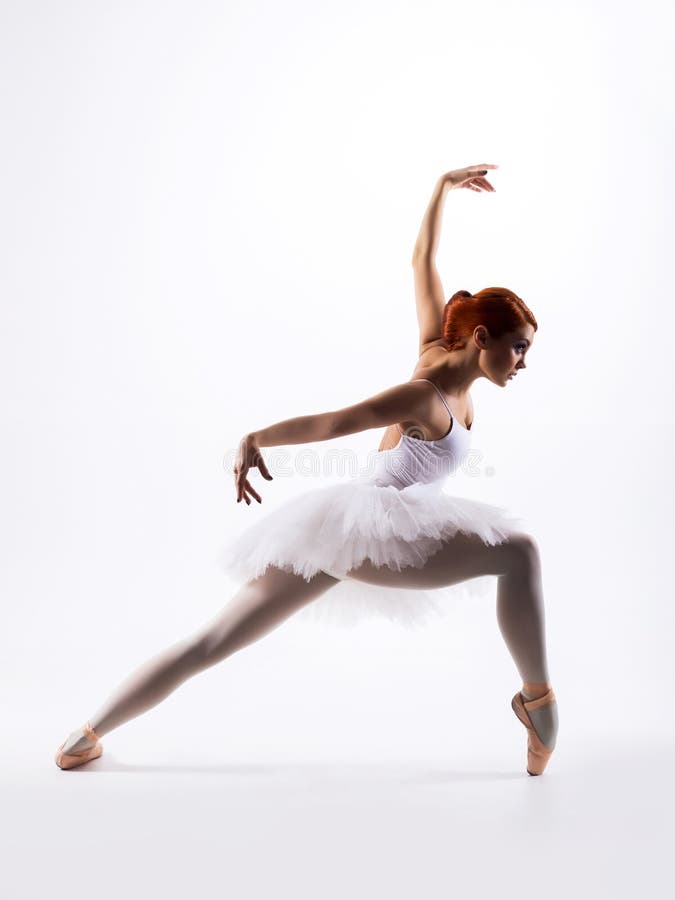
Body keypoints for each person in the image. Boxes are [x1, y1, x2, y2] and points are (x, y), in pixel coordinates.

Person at [55, 163, 559, 776]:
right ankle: (540, 704)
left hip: (351, 527)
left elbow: (421, 263)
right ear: (482, 337)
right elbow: (332, 424)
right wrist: (255, 437)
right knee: (519, 551)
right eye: (521, 347)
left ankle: (86, 736)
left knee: (215, 641)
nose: (524, 362)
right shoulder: (424, 395)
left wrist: (440, 188)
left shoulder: (436, 348)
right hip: (379, 526)